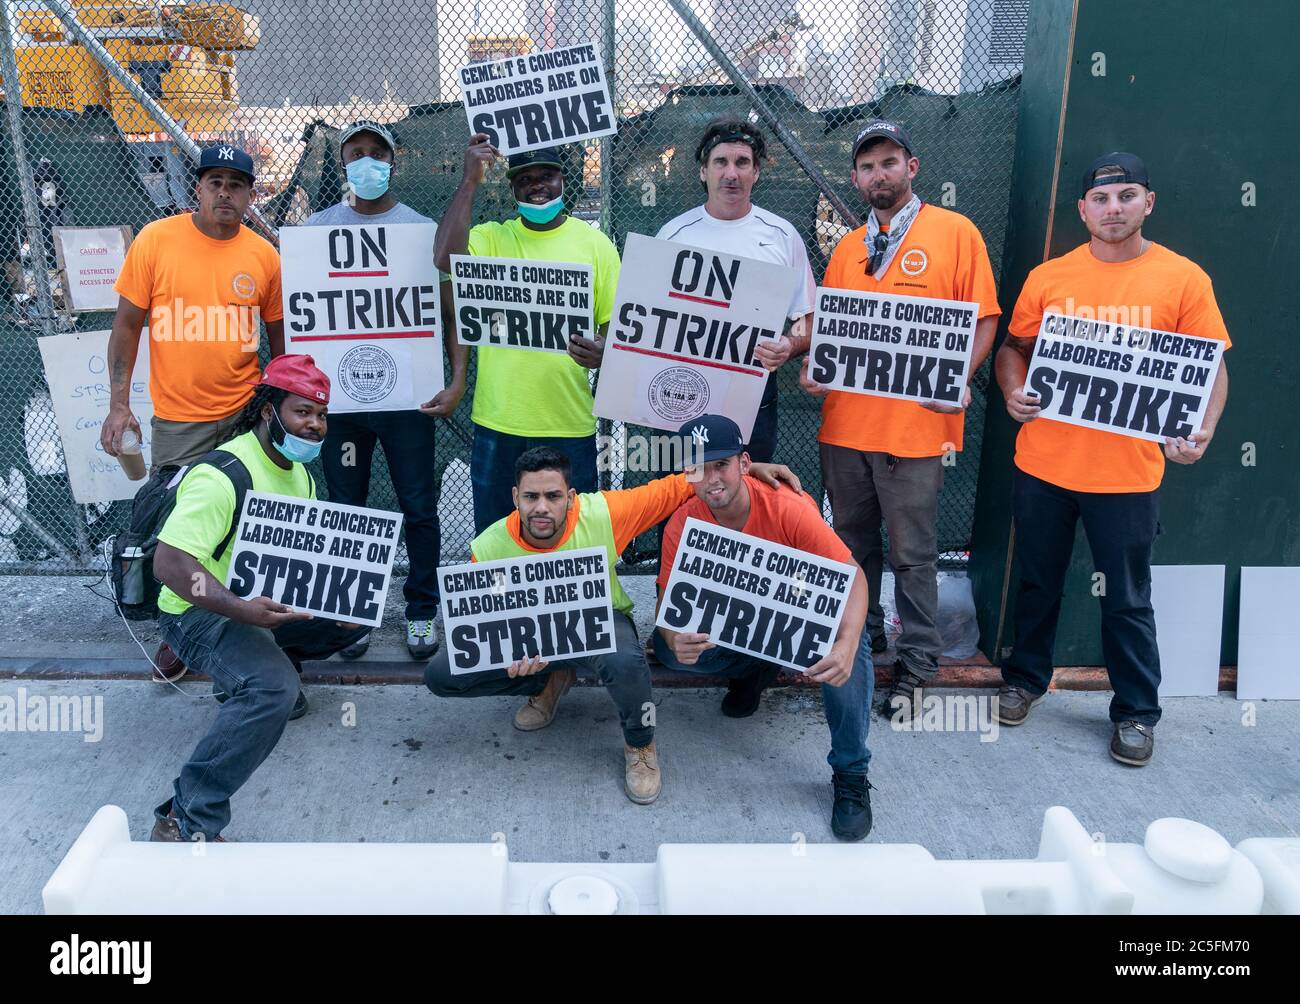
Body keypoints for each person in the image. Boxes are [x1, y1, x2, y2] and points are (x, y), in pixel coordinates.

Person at [993, 153, 1231, 766]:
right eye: (1101, 200)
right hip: (1044, 466)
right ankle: (1024, 680)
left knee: (1127, 598)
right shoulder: (1051, 276)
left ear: (1147, 203)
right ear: (1083, 210)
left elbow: (1211, 368)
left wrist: (1199, 431)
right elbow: (1013, 349)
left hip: (1127, 477)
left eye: (1126, 196)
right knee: (1038, 583)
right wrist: (1012, 389)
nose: (1113, 209)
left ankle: (1135, 713)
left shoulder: (1183, 279)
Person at [424, 448, 802, 805]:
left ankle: (640, 743)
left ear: (571, 497)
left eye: (553, 496)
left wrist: (747, 468)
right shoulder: (488, 548)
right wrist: (511, 657)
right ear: (515, 497)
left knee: (624, 659)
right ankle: (546, 680)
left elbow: (677, 485)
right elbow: (484, 626)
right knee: (442, 674)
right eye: (531, 496)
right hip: (531, 633)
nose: (541, 508)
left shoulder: (604, 513)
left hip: (596, 622)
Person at [799, 119, 1001, 715]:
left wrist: (957, 376)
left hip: (916, 433)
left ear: (912, 168)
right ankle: (864, 639)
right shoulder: (845, 246)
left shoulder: (955, 232)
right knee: (852, 546)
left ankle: (918, 664)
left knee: (914, 552)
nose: (878, 174)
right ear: (856, 177)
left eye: (889, 162)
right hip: (845, 429)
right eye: (866, 166)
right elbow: (831, 332)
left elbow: (985, 319)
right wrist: (816, 364)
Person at [148, 355, 369, 841]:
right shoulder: (223, 473)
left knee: (354, 619)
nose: (315, 426)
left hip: (259, 604)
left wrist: (341, 603)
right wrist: (242, 609)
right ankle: (185, 817)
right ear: (269, 411)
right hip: (199, 613)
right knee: (272, 692)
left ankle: (253, 673)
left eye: (321, 415)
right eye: (301, 412)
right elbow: (169, 566)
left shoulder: (302, 474)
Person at [102, 143, 285, 684]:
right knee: (175, 532)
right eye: (215, 182)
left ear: (251, 194)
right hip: (181, 421)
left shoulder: (263, 256)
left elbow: (281, 344)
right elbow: (128, 326)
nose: (225, 192)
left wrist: (279, 410)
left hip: (246, 416)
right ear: (197, 189)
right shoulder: (157, 242)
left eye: (236, 183)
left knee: (250, 526)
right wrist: (118, 405)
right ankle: (178, 634)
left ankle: (252, 624)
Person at [653, 415, 874, 840]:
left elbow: (854, 578)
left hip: (802, 615)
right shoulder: (683, 523)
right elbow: (667, 603)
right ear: (687, 474)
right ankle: (753, 670)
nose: (712, 478)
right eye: (699, 468)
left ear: (743, 463)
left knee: (849, 646)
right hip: (747, 621)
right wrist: (672, 636)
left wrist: (845, 645)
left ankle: (851, 773)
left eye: (721, 464)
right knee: (668, 651)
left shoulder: (786, 507)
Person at [303, 120, 468, 660]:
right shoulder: (317, 228)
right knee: (347, 507)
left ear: (393, 163)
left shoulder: (419, 229)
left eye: (378, 153)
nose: (367, 161)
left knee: (418, 504)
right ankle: (354, 609)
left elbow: (450, 314)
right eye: (356, 153)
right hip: (342, 404)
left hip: (408, 399)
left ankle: (422, 610)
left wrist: (455, 377)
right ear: (344, 162)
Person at [434, 137, 620, 532]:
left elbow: (616, 329)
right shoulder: (491, 237)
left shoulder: (596, 245)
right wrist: (469, 181)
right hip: (499, 421)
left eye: (547, 175)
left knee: (572, 539)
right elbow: (444, 258)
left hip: (568, 423)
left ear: (564, 180)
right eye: (525, 179)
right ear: (513, 188)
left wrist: (605, 350)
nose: (537, 185)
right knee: (496, 535)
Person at [654, 119, 816, 462]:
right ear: (703, 171)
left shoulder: (782, 236)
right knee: (677, 498)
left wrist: (789, 344)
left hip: (752, 396)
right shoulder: (673, 235)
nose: (732, 173)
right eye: (721, 162)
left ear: (756, 172)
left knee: (749, 495)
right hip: (679, 392)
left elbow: (807, 318)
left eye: (742, 163)